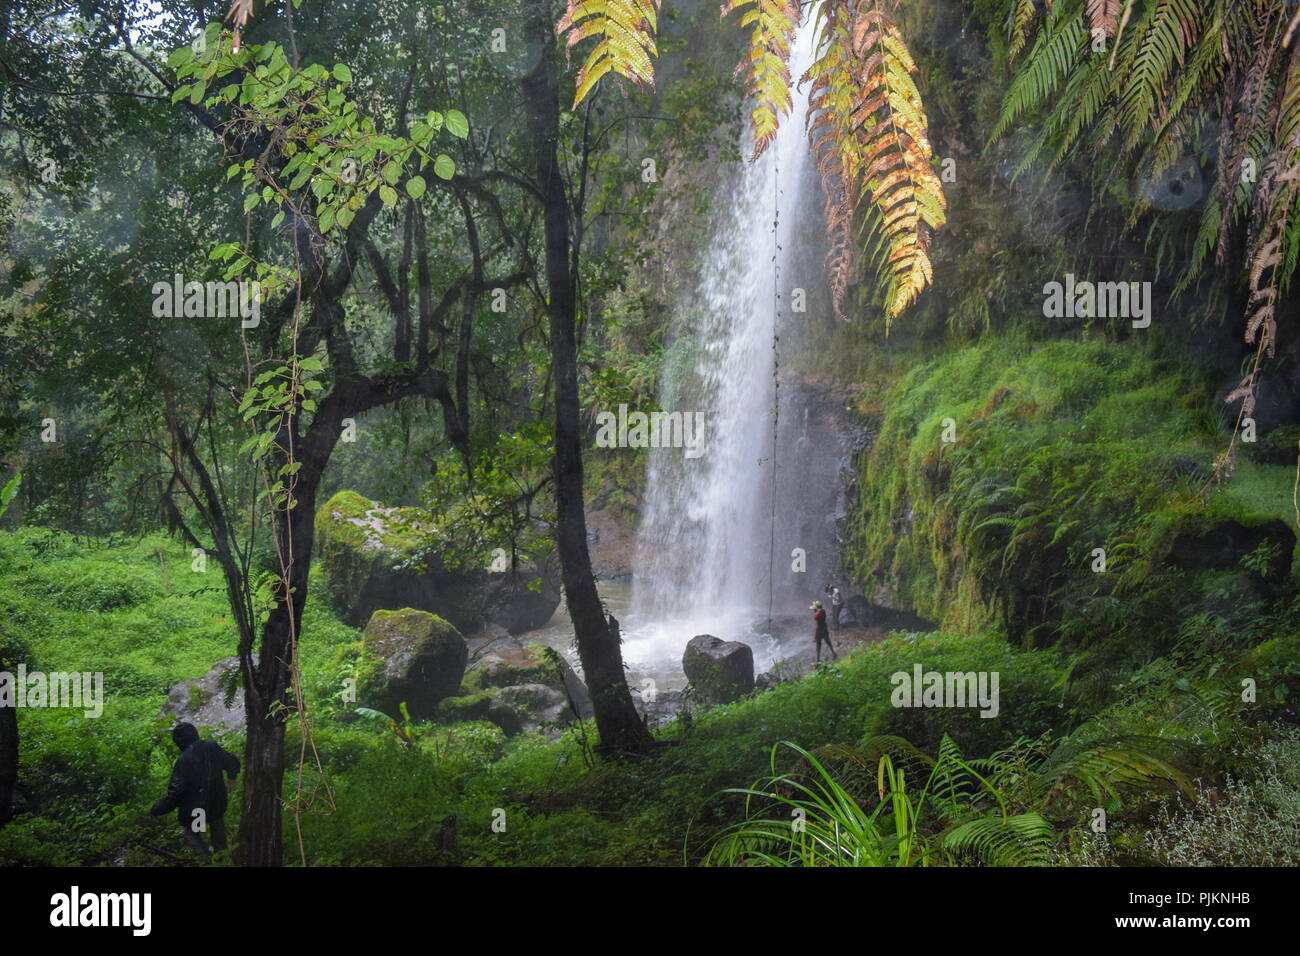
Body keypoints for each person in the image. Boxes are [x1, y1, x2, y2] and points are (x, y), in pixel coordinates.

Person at [150, 722, 240, 861]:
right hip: (217, 803)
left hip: (199, 812)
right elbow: (232, 762)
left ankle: (207, 861)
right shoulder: (211, 747)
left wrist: (156, 809)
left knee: (191, 835)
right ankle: (222, 861)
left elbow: (175, 793)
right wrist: (231, 777)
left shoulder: (183, 760)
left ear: (179, 741)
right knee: (219, 837)